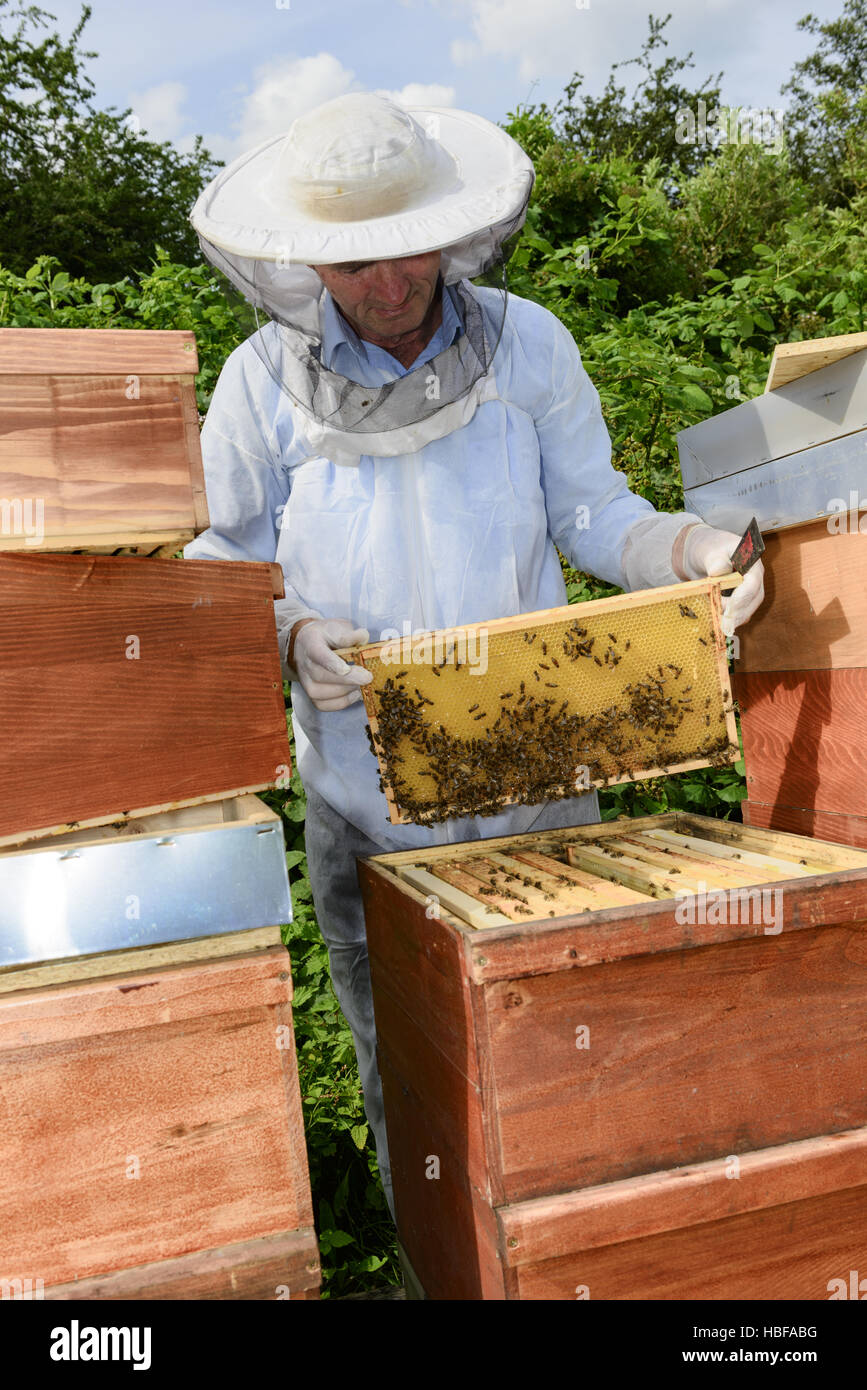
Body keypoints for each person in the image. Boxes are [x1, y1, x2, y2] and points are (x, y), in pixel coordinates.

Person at [184, 93, 764, 1221]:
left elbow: (594, 513)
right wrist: (288, 628)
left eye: (405, 250)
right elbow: (219, 561)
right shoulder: (259, 383)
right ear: (307, 260)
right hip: (364, 799)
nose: (387, 286)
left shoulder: (531, 342)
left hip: (542, 789)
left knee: (568, 1053)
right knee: (407, 1065)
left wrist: (690, 548)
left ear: (451, 227)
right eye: (353, 266)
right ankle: (434, 1261)